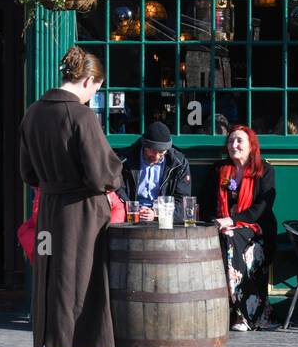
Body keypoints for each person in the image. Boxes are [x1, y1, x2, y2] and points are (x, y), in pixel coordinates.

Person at [18, 45, 123, 347]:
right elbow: (101, 174)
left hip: (50, 210)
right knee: (84, 292)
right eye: (97, 87)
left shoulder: (33, 113)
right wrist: (117, 176)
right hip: (82, 215)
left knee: (57, 290)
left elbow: (27, 172)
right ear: (89, 79)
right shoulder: (81, 117)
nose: (96, 93)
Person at [207, 124, 276, 332]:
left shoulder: (264, 170)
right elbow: (206, 201)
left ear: (251, 146)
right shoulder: (219, 169)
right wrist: (217, 220)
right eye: (230, 141)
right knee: (222, 236)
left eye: (239, 141)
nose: (233, 145)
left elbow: (262, 208)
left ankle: (243, 313)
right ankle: (222, 310)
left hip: (257, 229)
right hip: (223, 226)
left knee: (230, 237)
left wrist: (232, 220)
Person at [115, 120, 192, 221]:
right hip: (131, 216)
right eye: (152, 150)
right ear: (144, 146)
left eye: (161, 152)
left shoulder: (179, 164)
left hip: (163, 219)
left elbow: (182, 202)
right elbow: (118, 189)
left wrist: (157, 214)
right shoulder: (124, 160)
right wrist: (133, 208)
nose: (156, 156)